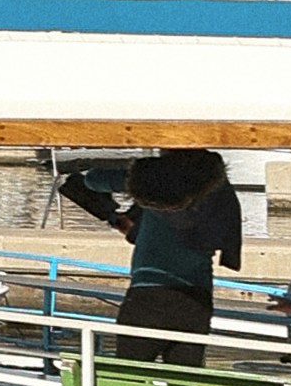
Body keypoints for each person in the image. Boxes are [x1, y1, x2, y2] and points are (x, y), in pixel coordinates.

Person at [58, 149, 243, 349]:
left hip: (149, 290)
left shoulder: (154, 178)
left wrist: (131, 173)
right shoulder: (217, 186)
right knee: (184, 374)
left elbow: (94, 180)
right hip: (196, 296)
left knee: (130, 370)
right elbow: (190, 230)